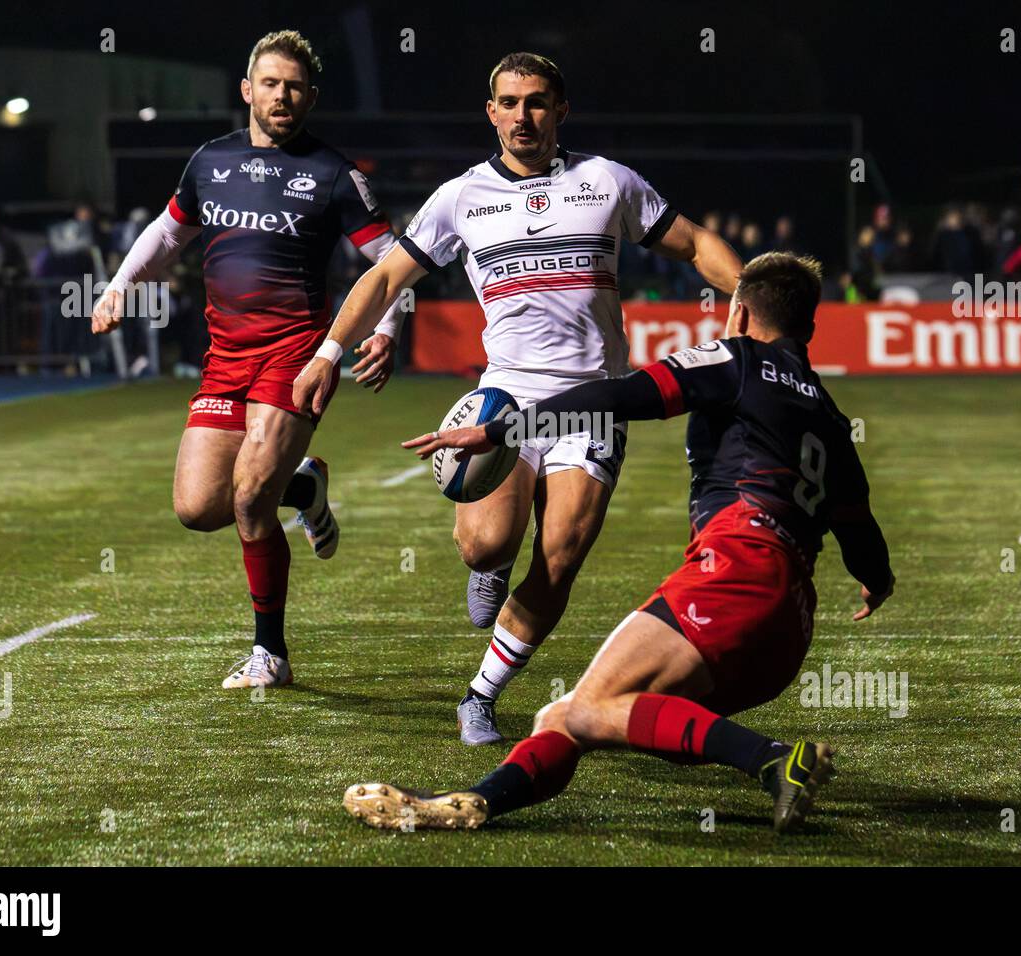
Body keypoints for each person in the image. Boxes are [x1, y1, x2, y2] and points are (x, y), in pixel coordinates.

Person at [342, 252, 895, 834]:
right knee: (576, 716)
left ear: (737, 313)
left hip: (732, 576)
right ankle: (473, 804)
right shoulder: (831, 415)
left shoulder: (735, 359)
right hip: (787, 630)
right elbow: (859, 528)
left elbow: (616, 397)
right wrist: (875, 579)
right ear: (809, 328)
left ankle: (775, 760)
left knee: (582, 710)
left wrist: (499, 429)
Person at [294, 52, 744, 746]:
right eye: (509, 101)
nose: (523, 115)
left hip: (594, 399)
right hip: (505, 396)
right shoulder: (461, 197)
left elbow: (694, 243)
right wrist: (328, 352)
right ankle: (492, 564)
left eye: (537, 102)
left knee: (561, 552)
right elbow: (386, 279)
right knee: (484, 544)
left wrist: (749, 305)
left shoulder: (607, 182)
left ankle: (479, 697)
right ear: (491, 112)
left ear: (560, 110)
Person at [91, 30, 406, 688]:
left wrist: (387, 327)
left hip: (296, 355)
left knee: (249, 501)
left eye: (294, 86)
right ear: (247, 91)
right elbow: (167, 232)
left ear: (310, 97)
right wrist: (120, 286)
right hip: (224, 358)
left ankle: (271, 654)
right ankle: (305, 484)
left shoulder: (335, 174)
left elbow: (392, 260)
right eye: (270, 83)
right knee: (199, 507)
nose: (281, 95)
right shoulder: (210, 161)